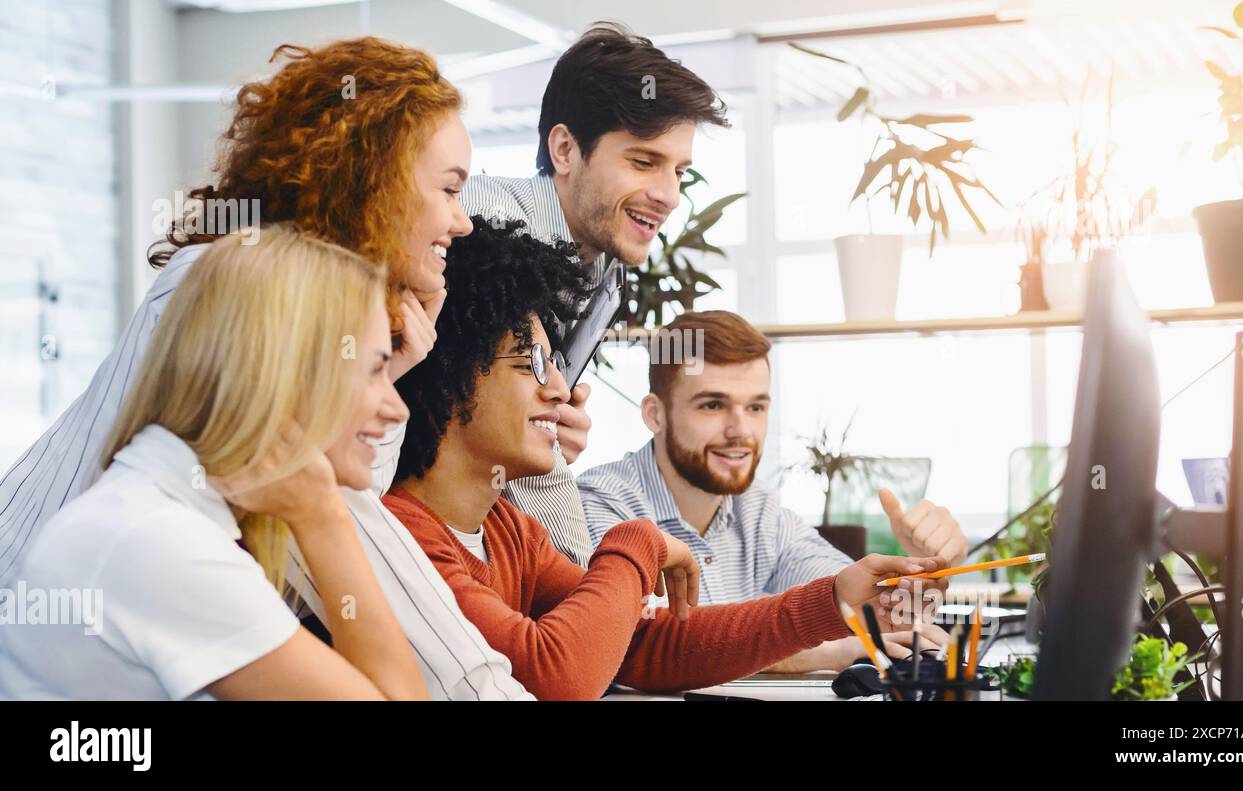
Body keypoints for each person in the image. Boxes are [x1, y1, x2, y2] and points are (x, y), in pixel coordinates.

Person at [0, 37, 532, 699]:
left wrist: (388, 366)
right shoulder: (230, 290)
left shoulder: (304, 315)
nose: (462, 222)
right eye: (450, 189)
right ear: (377, 180)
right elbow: (344, 517)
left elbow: (344, 487)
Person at [380, 218, 949, 699]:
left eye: (554, 363)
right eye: (532, 363)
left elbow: (643, 644)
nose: (560, 389)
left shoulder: (508, 531)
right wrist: (638, 539)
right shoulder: (404, 532)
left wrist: (833, 599)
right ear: (454, 378)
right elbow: (557, 670)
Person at [0, 228, 428, 700]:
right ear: (283, 376)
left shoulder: (164, 513)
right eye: (373, 370)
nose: (397, 407)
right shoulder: (163, 542)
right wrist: (324, 515)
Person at [460, 22, 730, 567]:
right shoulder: (478, 223)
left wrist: (544, 436)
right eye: (643, 161)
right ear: (565, 149)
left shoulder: (598, 271)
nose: (669, 196)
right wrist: (588, 589)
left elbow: (518, 443)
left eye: (679, 171)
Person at [577, 310, 969, 672]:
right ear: (655, 414)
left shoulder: (759, 508)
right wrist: (833, 650)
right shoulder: (601, 505)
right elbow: (645, 645)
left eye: (756, 407)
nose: (740, 431)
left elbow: (850, 597)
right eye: (713, 405)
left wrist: (917, 572)